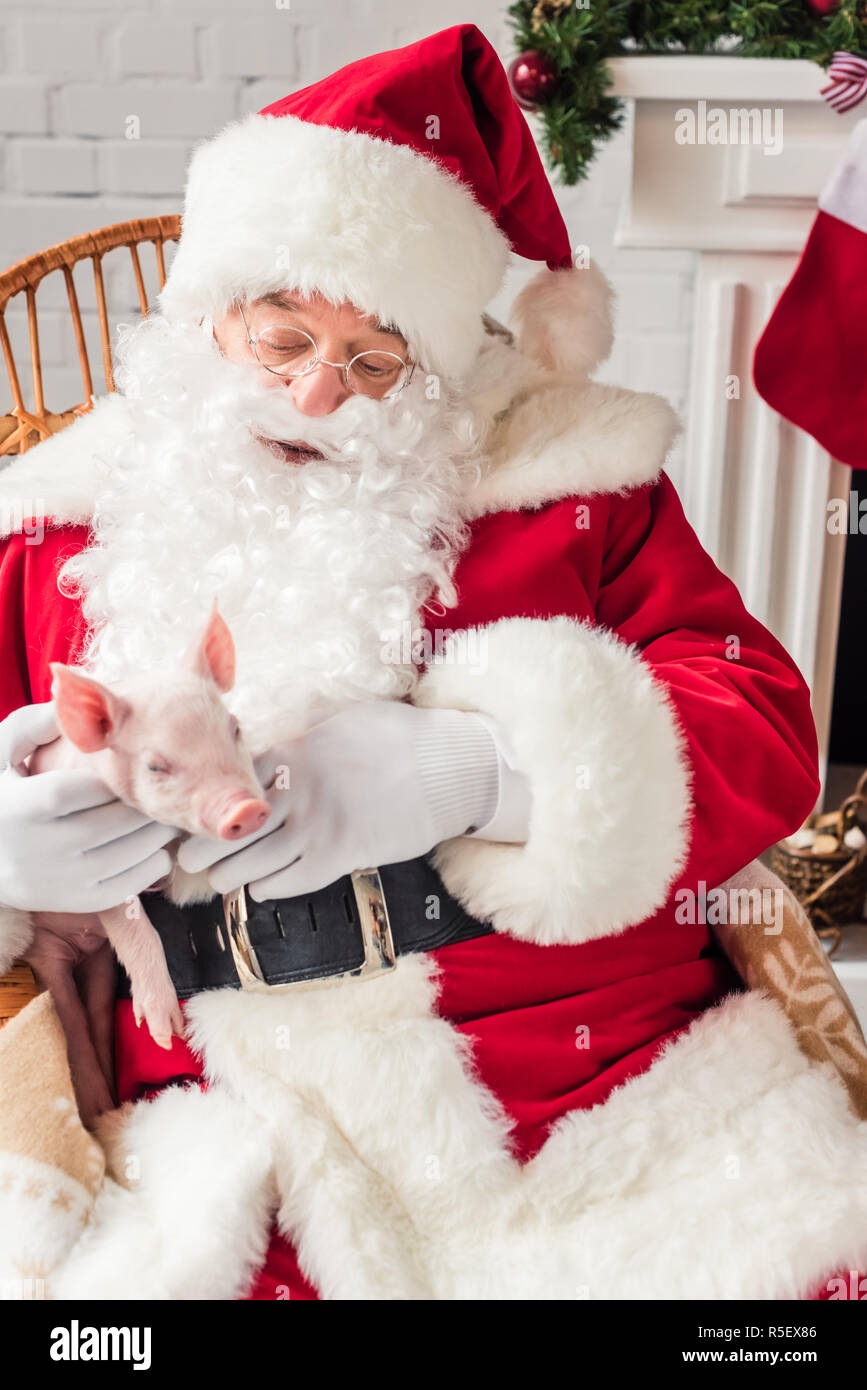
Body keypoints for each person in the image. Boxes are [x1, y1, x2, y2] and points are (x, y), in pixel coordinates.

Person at [0, 24, 863, 1301]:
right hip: (232, 1139)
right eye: (280, 338)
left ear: (441, 371)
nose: (313, 400)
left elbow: (767, 722)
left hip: (595, 1105)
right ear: (207, 318)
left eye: (372, 361)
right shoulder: (56, 526)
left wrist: (488, 770)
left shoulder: (577, 489)